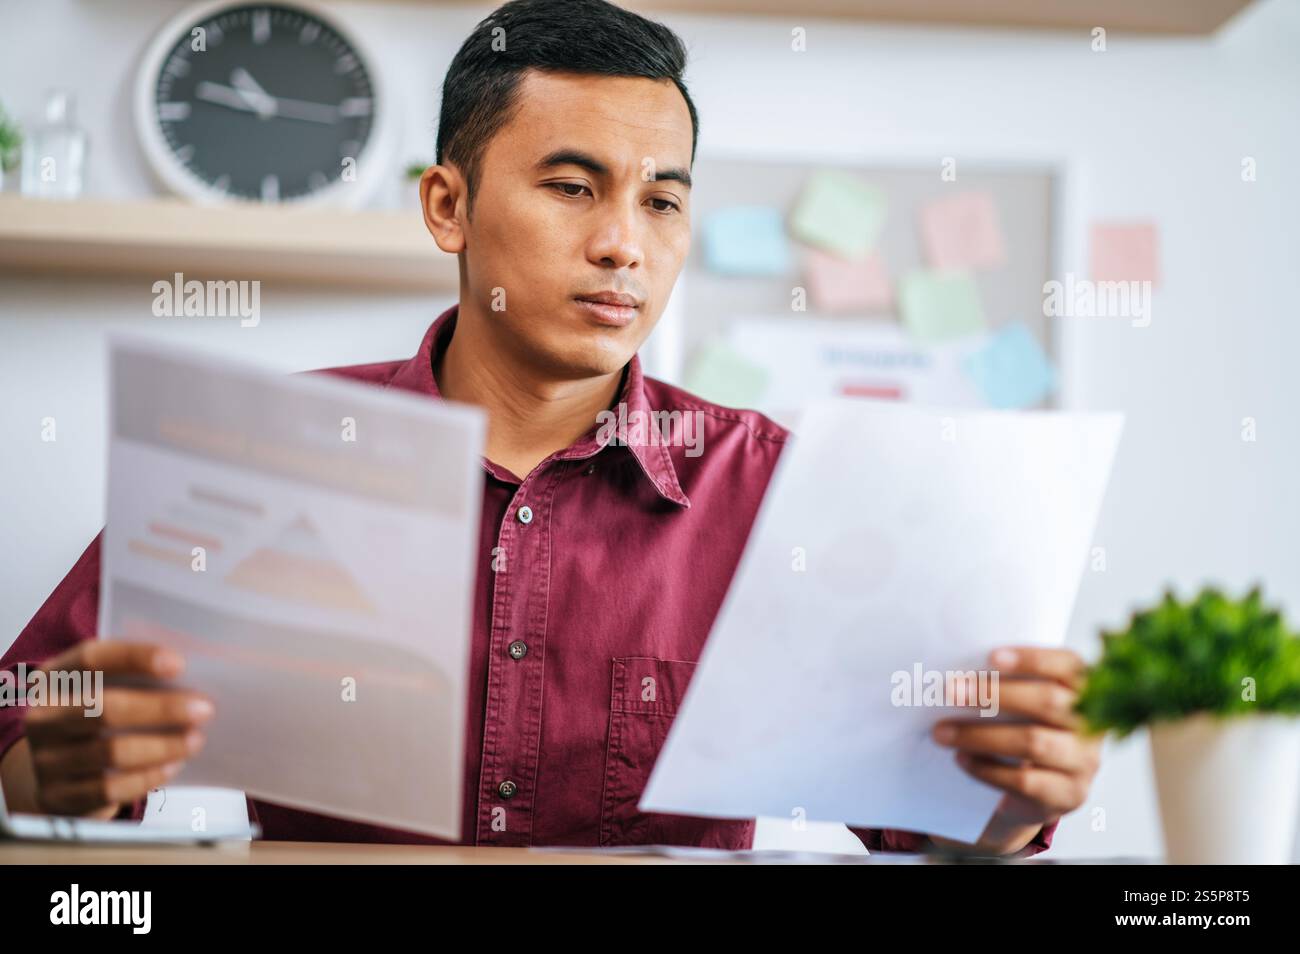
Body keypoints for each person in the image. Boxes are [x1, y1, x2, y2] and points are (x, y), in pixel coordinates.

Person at [0, 0, 1099, 854]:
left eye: (661, 201)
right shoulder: (264, 453)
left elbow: (936, 835)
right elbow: (27, 729)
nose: (624, 243)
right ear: (448, 207)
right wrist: (48, 776)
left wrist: (1007, 799)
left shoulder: (780, 494)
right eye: (573, 188)